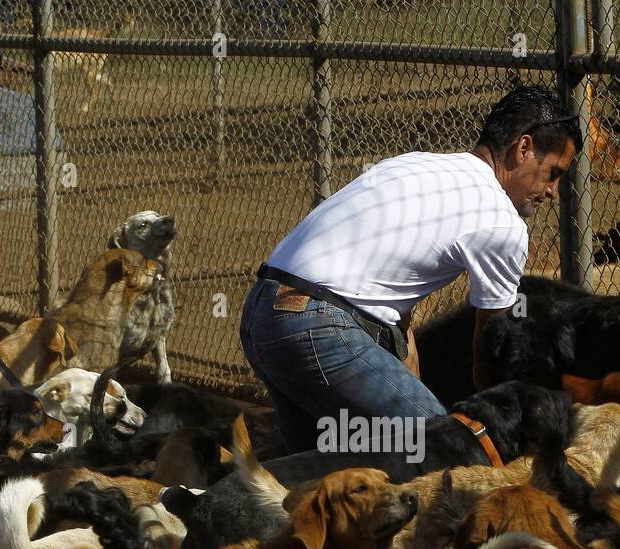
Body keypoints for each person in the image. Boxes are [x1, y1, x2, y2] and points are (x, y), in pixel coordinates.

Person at [239, 84, 581, 454]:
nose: (552, 191)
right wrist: (497, 437)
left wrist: (402, 345)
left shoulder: (413, 164)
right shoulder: (501, 222)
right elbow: (492, 352)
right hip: (318, 327)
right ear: (523, 148)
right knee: (446, 450)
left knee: (313, 477)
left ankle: (185, 503)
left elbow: (379, 270)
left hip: (263, 314)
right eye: (554, 173)